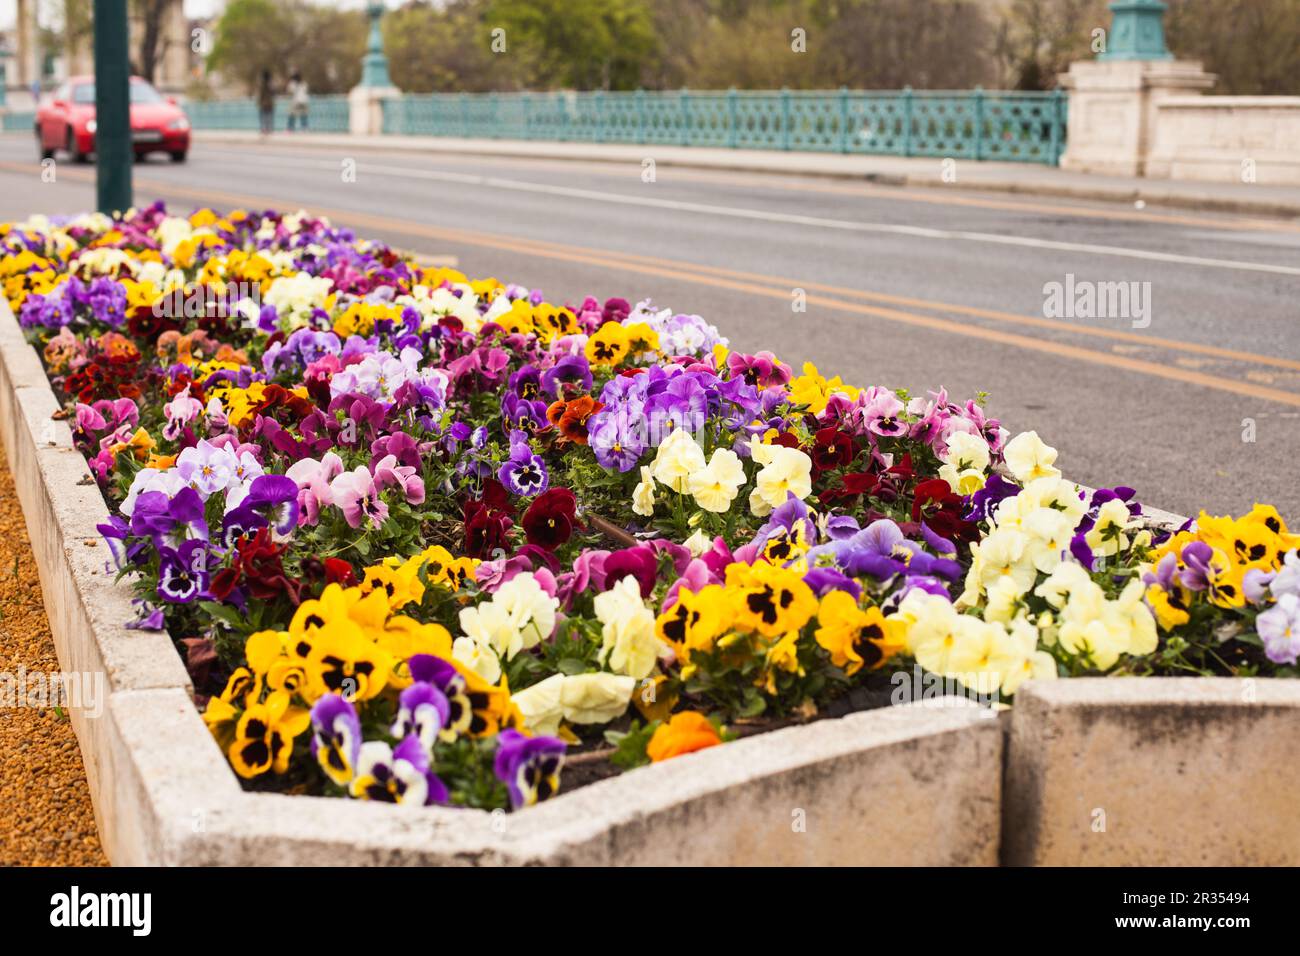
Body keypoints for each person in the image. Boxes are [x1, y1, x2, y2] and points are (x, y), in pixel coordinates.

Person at [256, 69, 275, 136]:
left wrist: (258, 102)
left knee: (263, 117)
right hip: (270, 103)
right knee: (269, 117)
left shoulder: (262, 84)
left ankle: (263, 129)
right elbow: (274, 94)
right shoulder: (271, 84)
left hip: (263, 103)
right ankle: (269, 129)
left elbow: (260, 94)